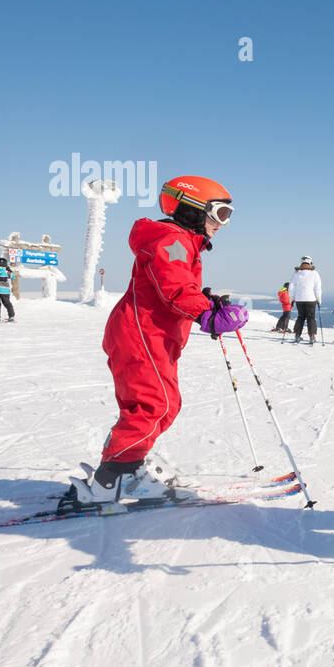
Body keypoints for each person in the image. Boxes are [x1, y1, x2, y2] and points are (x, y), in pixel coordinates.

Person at [70, 175, 248, 503]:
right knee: (154, 405)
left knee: (163, 405)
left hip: (152, 335)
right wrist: (205, 314)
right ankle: (112, 480)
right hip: (142, 334)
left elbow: (175, 284)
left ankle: (128, 465)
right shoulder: (172, 240)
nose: (223, 224)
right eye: (221, 214)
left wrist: (207, 301)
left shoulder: (178, 242)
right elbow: (174, 287)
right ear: (193, 207)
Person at [289, 256, 321, 344]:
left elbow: (291, 287)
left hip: (299, 299)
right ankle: (312, 336)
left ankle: (297, 336)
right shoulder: (315, 273)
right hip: (311, 299)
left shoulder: (296, 273)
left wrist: (292, 299)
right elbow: (317, 288)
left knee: (300, 317)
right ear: (310, 262)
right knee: (311, 318)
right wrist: (318, 299)